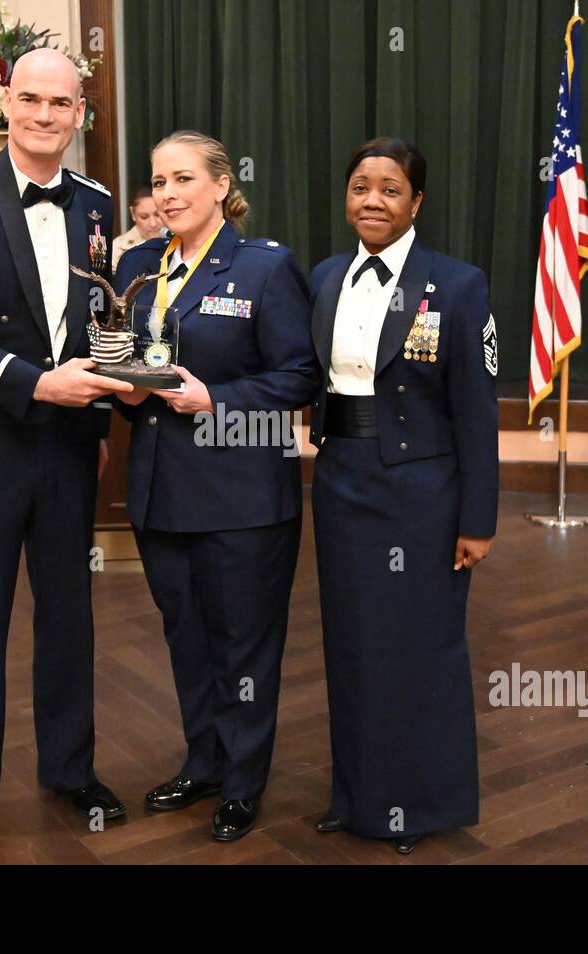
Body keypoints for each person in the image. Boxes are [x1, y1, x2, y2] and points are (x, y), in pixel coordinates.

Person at [0, 48, 135, 863]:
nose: (45, 116)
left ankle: (70, 768)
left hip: (71, 445)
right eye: (31, 100)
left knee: (69, 616)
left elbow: (104, 323)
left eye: (61, 104)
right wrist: (41, 386)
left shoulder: (100, 204)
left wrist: (120, 389)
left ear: (82, 113)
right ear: (7, 101)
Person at [113, 130, 319, 842]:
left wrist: (217, 400)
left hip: (241, 494)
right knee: (187, 638)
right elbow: (129, 359)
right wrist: (125, 390)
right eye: (157, 182)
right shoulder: (140, 266)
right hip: (159, 489)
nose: (166, 194)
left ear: (220, 187)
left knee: (243, 644)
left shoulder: (265, 267)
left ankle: (242, 781)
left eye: (181, 180)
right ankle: (202, 760)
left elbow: (299, 376)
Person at [308, 137, 498, 854]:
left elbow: (477, 414)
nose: (373, 201)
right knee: (352, 647)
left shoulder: (456, 284)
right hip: (341, 485)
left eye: (390, 189)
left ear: (416, 202)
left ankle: (418, 806)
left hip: (421, 494)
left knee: (419, 651)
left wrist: (478, 519)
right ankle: (355, 798)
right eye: (360, 186)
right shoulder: (326, 275)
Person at [111, 184, 165, 269]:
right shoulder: (117, 248)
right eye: (144, 217)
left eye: (157, 215)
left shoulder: (180, 242)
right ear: (133, 213)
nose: (153, 224)